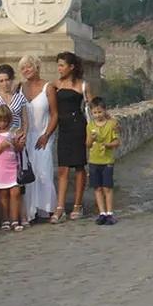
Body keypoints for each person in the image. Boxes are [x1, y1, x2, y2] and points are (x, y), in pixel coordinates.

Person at [17, 55, 58, 224]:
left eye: (29, 67)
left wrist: (46, 134)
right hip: (26, 137)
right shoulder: (19, 88)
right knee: (29, 175)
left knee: (44, 173)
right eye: (23, 68)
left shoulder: (48, 87)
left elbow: (55, 114)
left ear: (36, 67)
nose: (26, 70)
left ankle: (47, 209)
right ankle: (30, 211)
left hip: (43, 136)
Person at [52, 51, 90, 223]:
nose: (59, 68)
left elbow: (94, 105)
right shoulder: (55, 85)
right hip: (64, 128)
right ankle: (60, 207)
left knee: (79, 167)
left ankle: (77, 204)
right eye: (58, 65)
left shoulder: (82, 85)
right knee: (63, 168)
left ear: (71, 67)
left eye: (62, 65)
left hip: (78, 127)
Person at [0, 105, 24, 231]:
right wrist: (1, 146)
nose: (3, 123)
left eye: (5, 121)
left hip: (13, 167)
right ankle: (5, 219)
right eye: (0, 121)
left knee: (15, 193)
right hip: (1, 169)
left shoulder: (13, 132)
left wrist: (17, 143)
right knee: (3, 195)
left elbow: (19, 149)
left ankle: (15, 220)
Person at [86, 96, 121, 225]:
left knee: (108, 187)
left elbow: (117, 142)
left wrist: (108, 145)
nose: (98, 115)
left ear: (105, 111)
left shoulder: (111, 125)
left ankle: (110, 213)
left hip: (107, 161)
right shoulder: (90, 126)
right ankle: (102, 213)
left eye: (100, 112)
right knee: (97, 188)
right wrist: (92, 138)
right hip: (94, 161)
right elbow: (88, 144)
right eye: (95, 112)